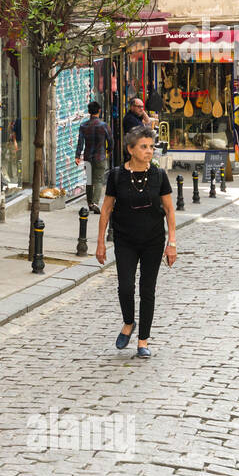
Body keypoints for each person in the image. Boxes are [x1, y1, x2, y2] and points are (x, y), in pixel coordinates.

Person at [95, 126, 177, 358]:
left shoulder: (159, 175)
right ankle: (129, 322)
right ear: (130, 149)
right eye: (143, 147)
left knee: (147, 289)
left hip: (153, 240)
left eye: (151, 147)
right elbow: (106, 209)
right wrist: (100, 242)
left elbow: (169, 210)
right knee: (125, 286)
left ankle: (143, 340)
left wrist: (172, 243)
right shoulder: (117, 176)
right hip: (125, 240)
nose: (149, 151)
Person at [75, 101, 112, 214]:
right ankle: (95, 203)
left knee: (89, 180)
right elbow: (110, 140)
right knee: (99, 180)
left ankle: (90, 203)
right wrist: (109, 150)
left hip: (88, 157)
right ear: (99, 110)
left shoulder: (84, 126)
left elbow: (80, 142)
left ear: (89, 111)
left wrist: (77, 156)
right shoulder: (104, 125)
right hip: (100, 156)